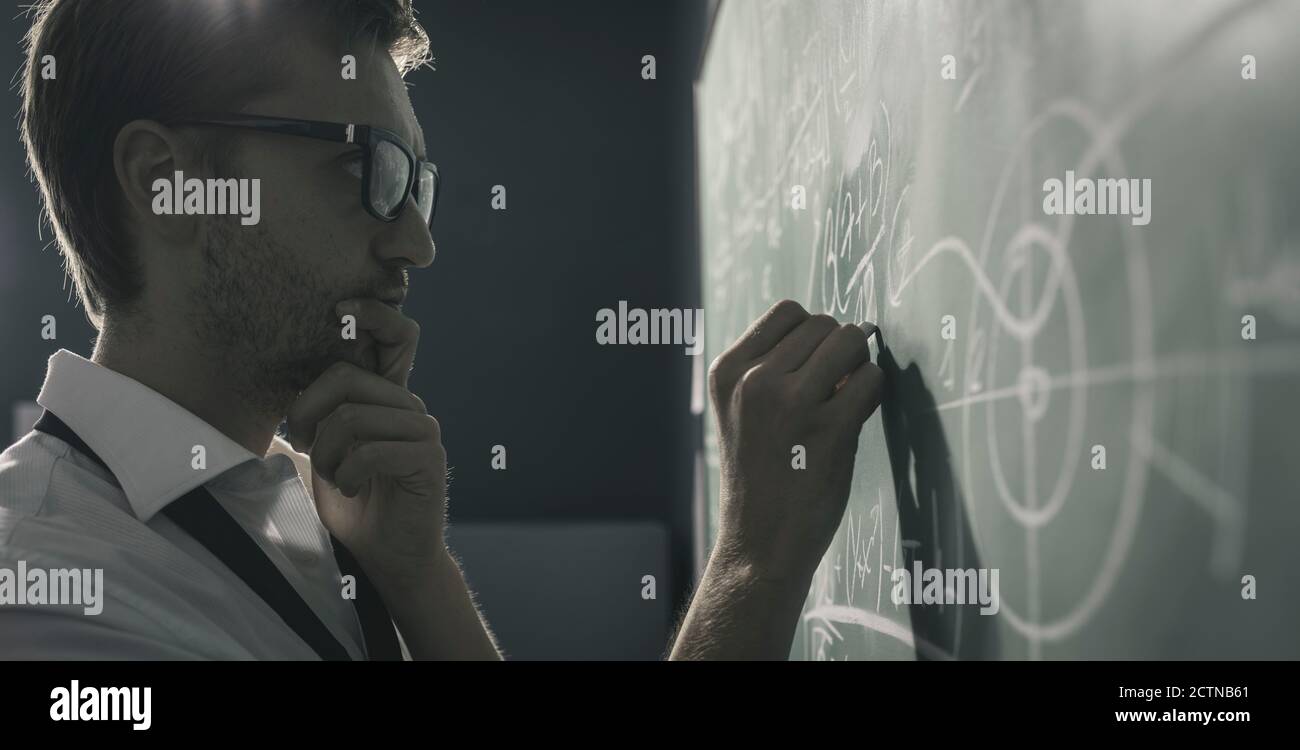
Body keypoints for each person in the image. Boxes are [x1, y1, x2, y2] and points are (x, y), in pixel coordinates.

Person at [0, 0, 884, 660]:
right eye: (365, 166)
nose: (417, 241)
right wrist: (753, 567)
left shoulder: (292, 509)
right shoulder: (50, 591)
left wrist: (420, 581)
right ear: (168, 185)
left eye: (415, 179)